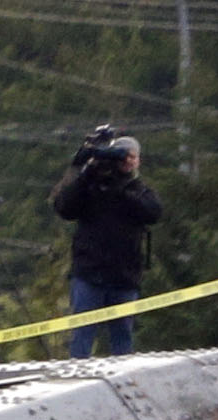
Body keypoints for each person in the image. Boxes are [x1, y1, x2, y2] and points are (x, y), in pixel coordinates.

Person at [52, 128, 164, 356]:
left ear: (138, 160)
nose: (127, 161)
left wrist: (121, 188)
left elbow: (153, 213)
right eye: (123, 156)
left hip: (124, 277)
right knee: (82, 336)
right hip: (89, 274)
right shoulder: (90, 187)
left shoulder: (138, 190)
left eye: (132, 156)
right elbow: (64, 207)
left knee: (122, 337)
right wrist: (85, 172)